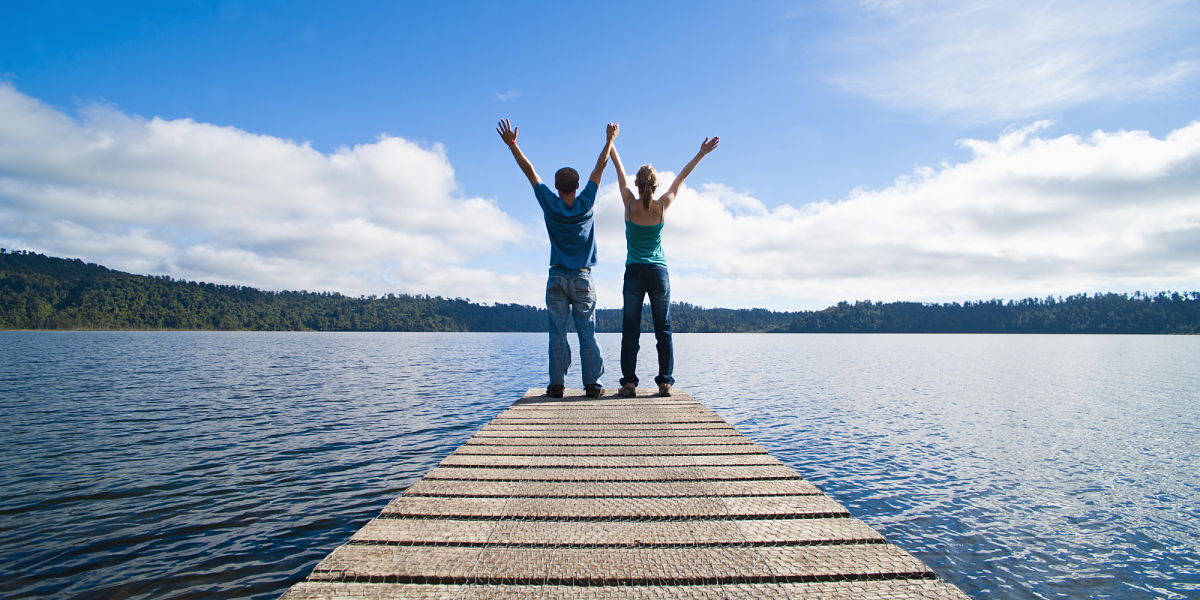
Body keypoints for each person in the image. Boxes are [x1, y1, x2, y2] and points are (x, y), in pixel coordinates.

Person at [497, 118, 618, 398]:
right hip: (582, 278)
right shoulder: (586, 202)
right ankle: (592, 386)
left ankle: (556, 385)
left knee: (557, 334)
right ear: (577, 186)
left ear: (556, 186)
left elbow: (530, 172)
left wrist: (513, 145)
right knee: (587, 332)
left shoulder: (549, 203)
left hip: (556, 278)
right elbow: (599, 168)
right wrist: (610, 140)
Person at [608, 134, 719, 397]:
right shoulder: (662, 206)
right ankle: (665, 382)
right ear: (656, 185)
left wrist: (610, 143)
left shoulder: (629, 203)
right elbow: (681, 178)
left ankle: (629, 383)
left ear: (636, 184)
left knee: (630, 330)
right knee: (663, 329)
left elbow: (619, 172)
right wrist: (701, 153)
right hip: (658, 272)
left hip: (634, 271)